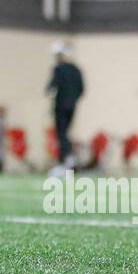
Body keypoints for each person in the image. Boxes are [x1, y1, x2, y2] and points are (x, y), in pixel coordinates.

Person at [46, 42, 84, 176]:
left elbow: (51, 87)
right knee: (66, 133)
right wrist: (72, 100)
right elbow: (82, 89)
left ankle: (64, 161)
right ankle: (69, 160)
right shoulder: (76, 69)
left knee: (61, 134)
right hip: (72, 106)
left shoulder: (59, 68)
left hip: (61, 106)